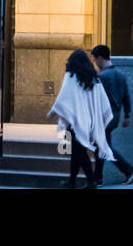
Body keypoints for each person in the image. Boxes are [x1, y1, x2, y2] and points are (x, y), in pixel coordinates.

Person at [47, 49, 114, 188]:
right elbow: (102, 100)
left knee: (80, 153)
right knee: (76, 153)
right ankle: (72, 181)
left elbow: (63, 98)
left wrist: (53, 112)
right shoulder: (94, 78)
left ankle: (90, 181)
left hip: (75, 122)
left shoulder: (71, 76)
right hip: (90, 121)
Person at [90, 45, 133, 186]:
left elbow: (98, 100)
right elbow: (126, 96)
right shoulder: (120, 75)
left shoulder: (102, 77)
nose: (94, 62)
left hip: (104, 116)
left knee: (104, 147)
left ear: (99, 57)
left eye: (94, 59)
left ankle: (128, 170)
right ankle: (97, 178)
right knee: (103, 145)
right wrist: (127, 115)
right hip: (116, 116)